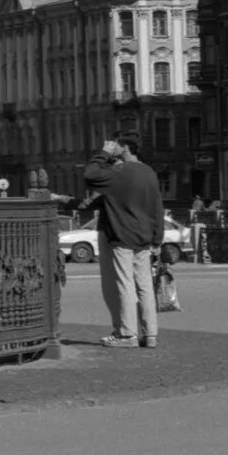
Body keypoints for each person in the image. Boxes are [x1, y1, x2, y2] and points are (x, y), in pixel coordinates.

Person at [80, 135, 166, 347]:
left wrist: (104, 154)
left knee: (125, 285)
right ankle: (150, 334)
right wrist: (158, 238)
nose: (112, 146)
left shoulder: (118, 172)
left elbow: (90, 174)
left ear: (125, 148)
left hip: (122, 236)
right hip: (145, 237)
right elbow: (157, 207)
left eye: (116, 144)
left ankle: (127, 335)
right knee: (145, 285)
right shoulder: (149, 172)